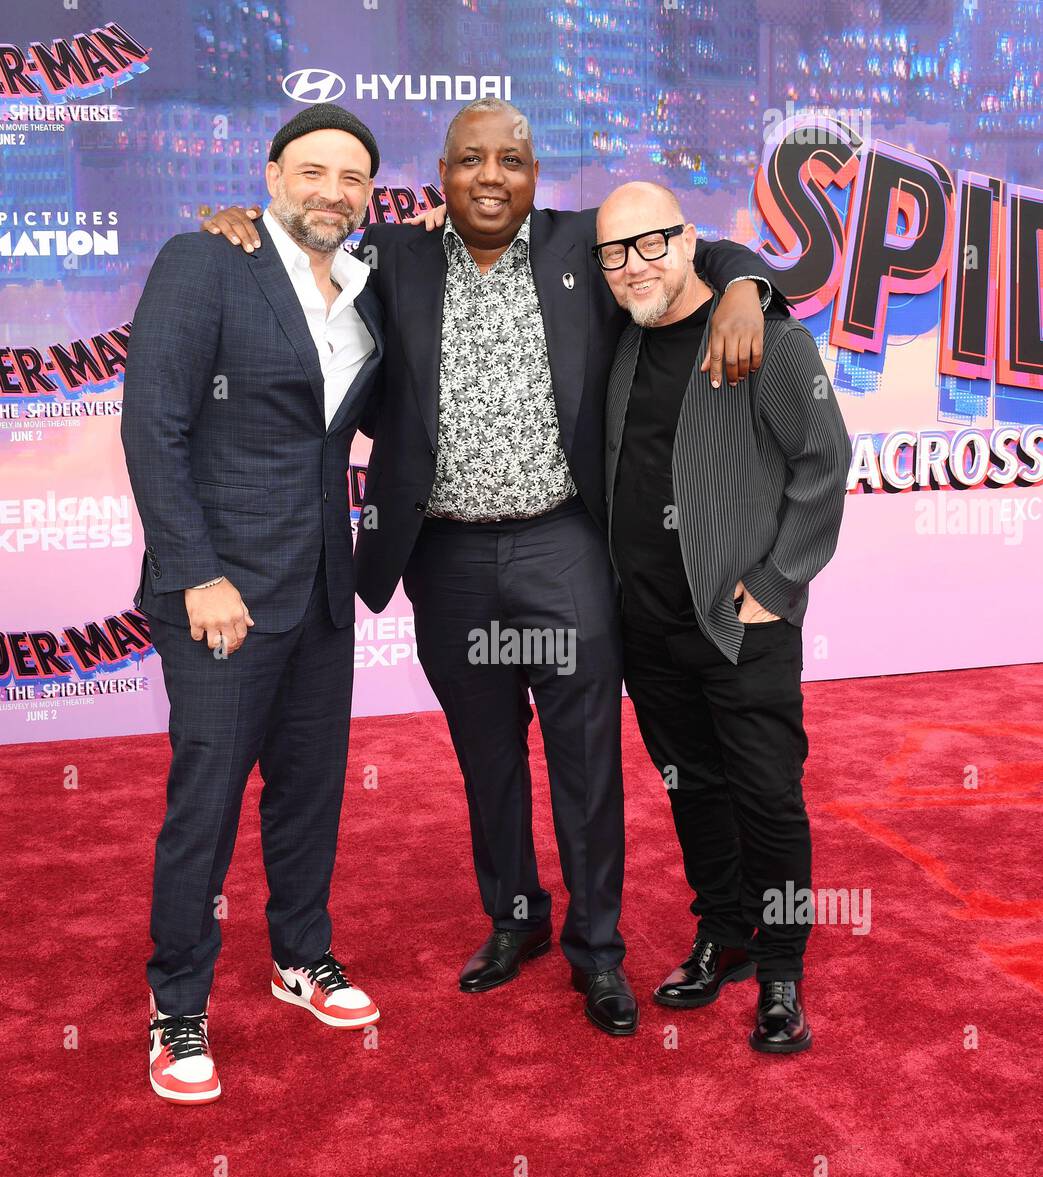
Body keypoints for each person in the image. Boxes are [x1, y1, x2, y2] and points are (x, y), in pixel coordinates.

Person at [203, 98, 782, 1038]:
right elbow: (291, 252)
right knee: (486, 759)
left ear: (533, 173)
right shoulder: (388, 258)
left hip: (564, 549)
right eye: (470, 159)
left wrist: (751, 285)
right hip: (448, 556)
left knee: (584, 763)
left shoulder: (577, 247)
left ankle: (600, 954)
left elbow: (696, 250)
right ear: (439, 172)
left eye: (510, 160)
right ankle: (517, 921)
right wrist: (232, 224)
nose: (489, 176)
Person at [123, 104, 385, 1104]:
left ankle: (298, 955)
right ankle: (177, 1000)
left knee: (310, 789)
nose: (331, 190)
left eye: (351, 176)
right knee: (207, 799)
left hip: (321, 585)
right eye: (311, 170)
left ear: (369, 192)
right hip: (220, 593)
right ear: (272, 177)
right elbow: (155, 427)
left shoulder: (366, 287)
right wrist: (197, 573)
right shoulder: (205, 261)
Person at [594, 181, 850, 1053]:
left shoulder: (767, 340)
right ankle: (726, 933)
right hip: (648, 627)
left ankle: (781, 971)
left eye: (653, 243)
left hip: (742, 624)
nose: (634, 265)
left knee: (767, 797)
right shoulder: (622, 342)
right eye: (614, 252)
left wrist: (776, 587)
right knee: (690, 787)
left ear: (691, 240)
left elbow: (823, 463)